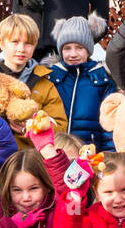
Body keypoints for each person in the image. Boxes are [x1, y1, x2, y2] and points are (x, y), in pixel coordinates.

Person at [45, 14, 115, 153]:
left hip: (89, 152)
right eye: (67, 48)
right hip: (55, 150)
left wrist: (108, 155)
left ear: (88, 50)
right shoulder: (51, 76)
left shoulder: (101, 79)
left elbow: (109, 124)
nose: (73, 54)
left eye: (79, 48)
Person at [0, 13, 67, 143]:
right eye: (15, 42)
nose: (21, 49)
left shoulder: (44, 84)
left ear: (35, 46)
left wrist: (32, 127)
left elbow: (60, 127)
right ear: (2, 43)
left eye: (28, 43)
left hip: (29, 159)